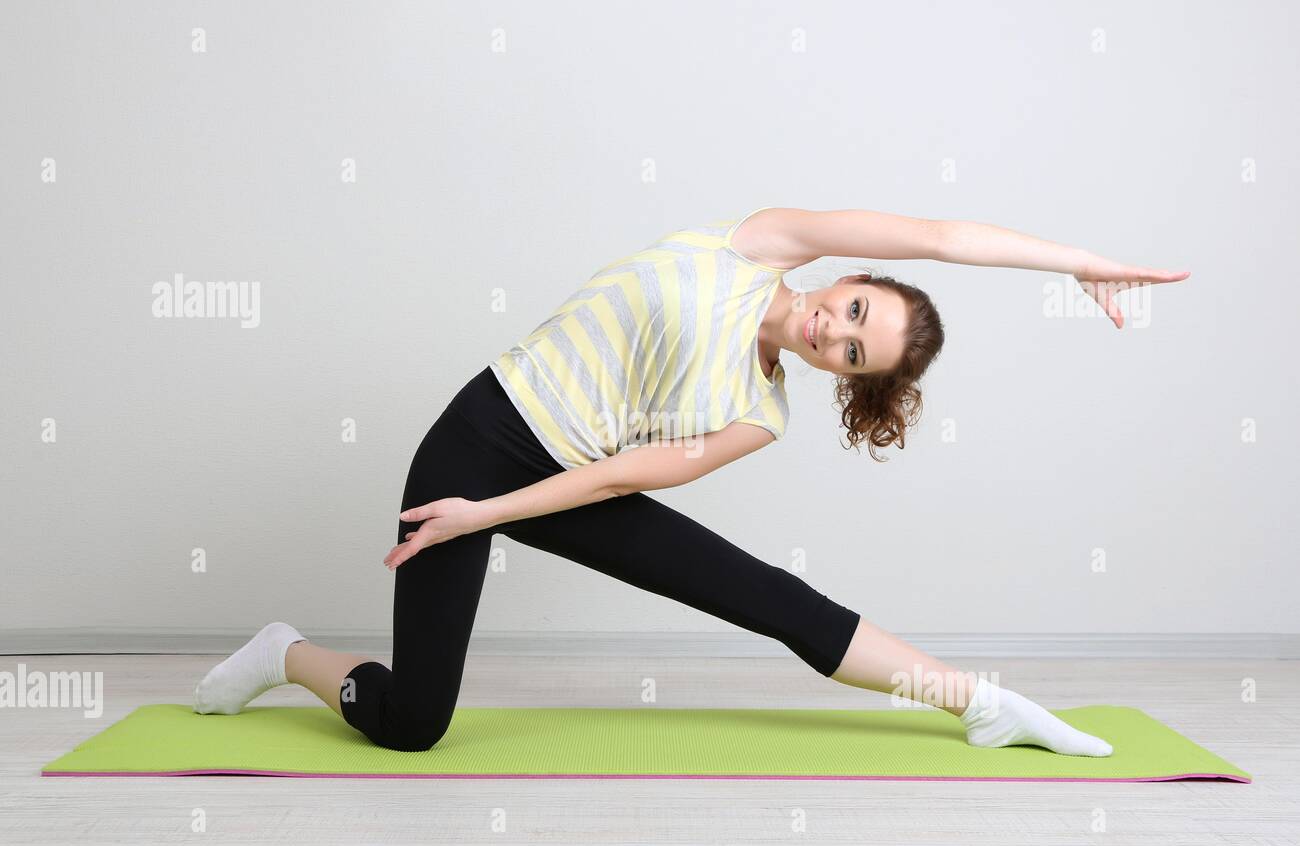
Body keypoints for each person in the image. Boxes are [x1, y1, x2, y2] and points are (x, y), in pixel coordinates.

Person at [193, 206, 1189, 756]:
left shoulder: (758, 412)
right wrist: (1076, 261)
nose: (830, 330)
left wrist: (489, 518)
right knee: (415, 723)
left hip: (560, 477)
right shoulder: (758, 242)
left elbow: (620, 472)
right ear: (848, 276)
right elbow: (938, 236)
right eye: (849, 308)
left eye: (851, 352)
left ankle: (976, 701)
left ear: (848, 377)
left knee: (773, 597)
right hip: (475, 438)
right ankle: (286, 653)